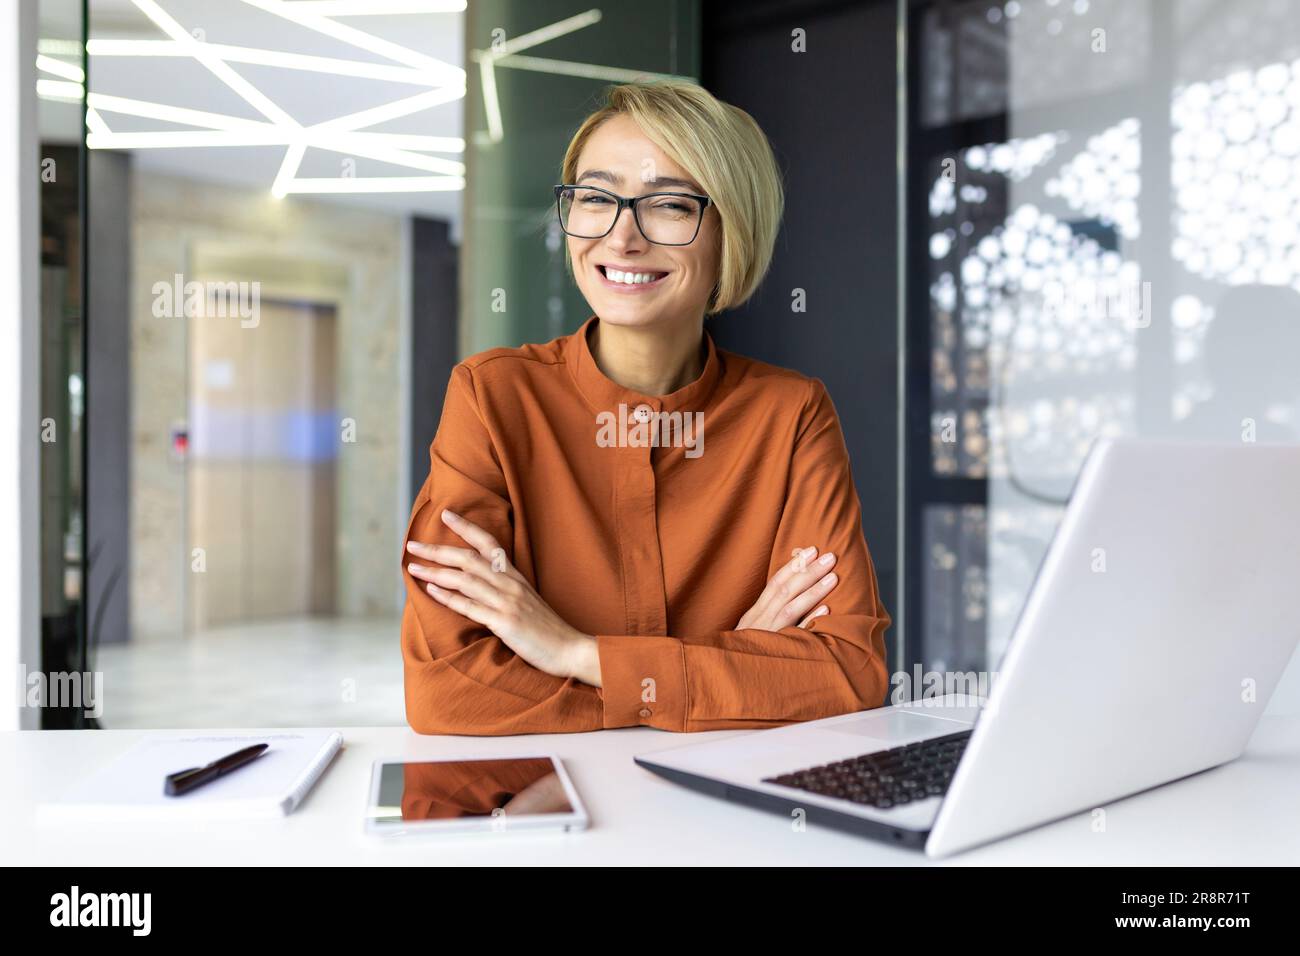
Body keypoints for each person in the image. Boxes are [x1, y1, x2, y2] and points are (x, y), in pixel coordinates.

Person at [401, 81, 890, 734]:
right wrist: (721, 675)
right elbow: (450, 689)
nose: (621, 237)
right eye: (596, 197)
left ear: (731, 229)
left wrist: (576, 654)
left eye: (666, 205)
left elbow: (849, 672)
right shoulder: (491, 398)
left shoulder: (793, 414)